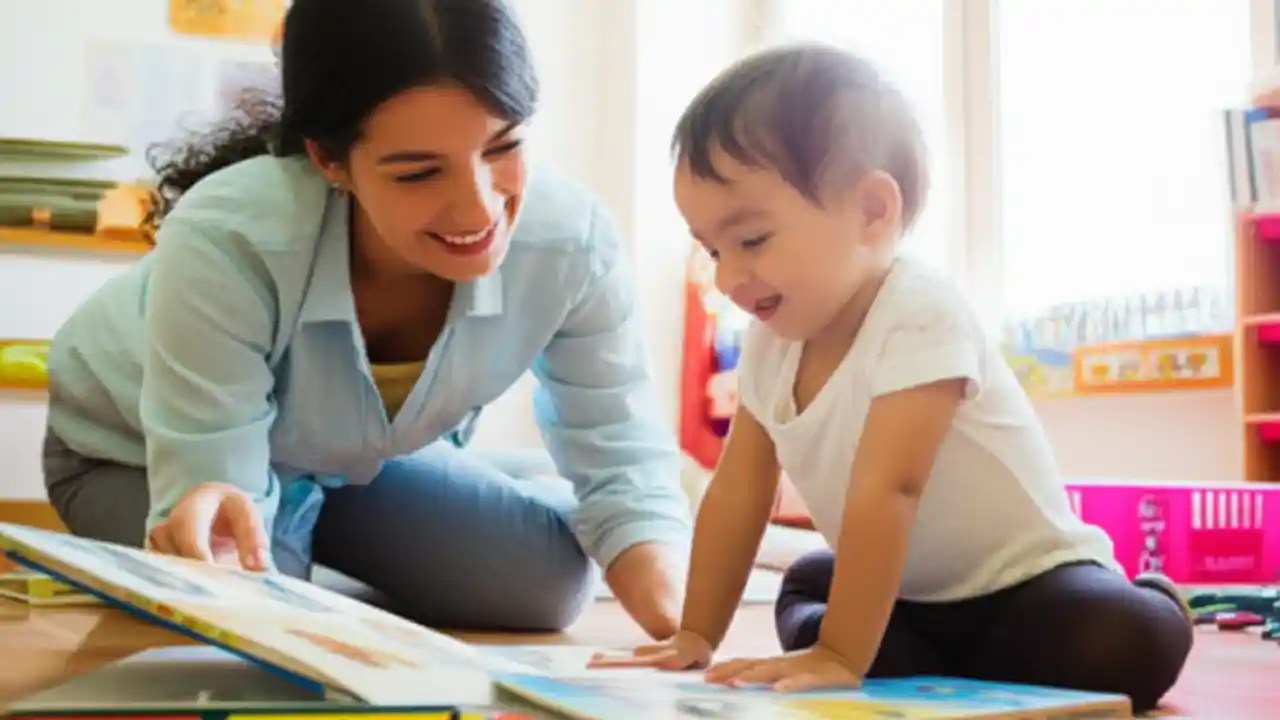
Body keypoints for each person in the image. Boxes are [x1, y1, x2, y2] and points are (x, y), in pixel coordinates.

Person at [41, 0, 691, 638]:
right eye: (418, 173)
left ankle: (339, 543)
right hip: (131, 453)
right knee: (260, 609)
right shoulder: (228, 236)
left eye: (504, 147)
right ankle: (312, 567)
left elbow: (620, 454)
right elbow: (214, 479)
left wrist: (686, 626)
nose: (477, 211)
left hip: (349, 462)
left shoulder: (571, 240)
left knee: (546, 586)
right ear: (329, 161)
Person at [592, 44, 1194, 714]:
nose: (728, 278)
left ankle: (1158, 597)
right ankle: (922, 655)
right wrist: (696, 632)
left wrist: (842, 655)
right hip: (911, 596)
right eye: (711, 250)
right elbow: (738, 493)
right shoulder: (769, 346)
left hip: (1030, 582)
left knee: (1112, 642)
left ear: (873, 211)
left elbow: (890, 489)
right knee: (808, 585)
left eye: (753, 241)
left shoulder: (920, 313)